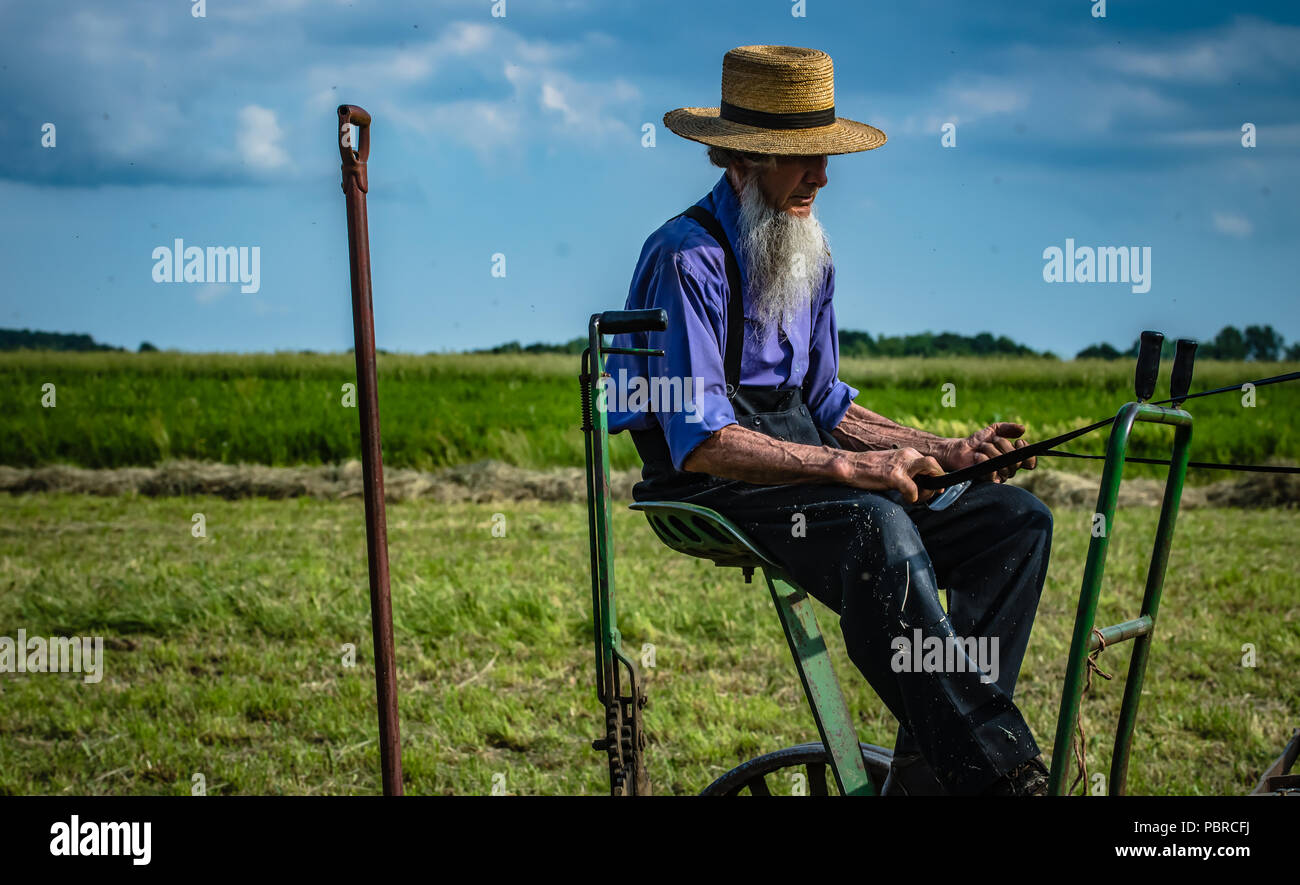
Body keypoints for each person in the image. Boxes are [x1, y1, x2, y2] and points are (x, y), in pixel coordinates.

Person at [605, 45, 1053, 795]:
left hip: (804, 469)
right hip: (718, 482)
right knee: (879, 522)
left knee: (1014, 519)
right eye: (802, 158)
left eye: (822, 156)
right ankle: (996, 772)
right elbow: (703, 439)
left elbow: (826, 405)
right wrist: (855, 469)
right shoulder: (688, 258)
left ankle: (928, 765)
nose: (821, 175)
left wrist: (946, 448)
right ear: (743, 159)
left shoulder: (809, 250)